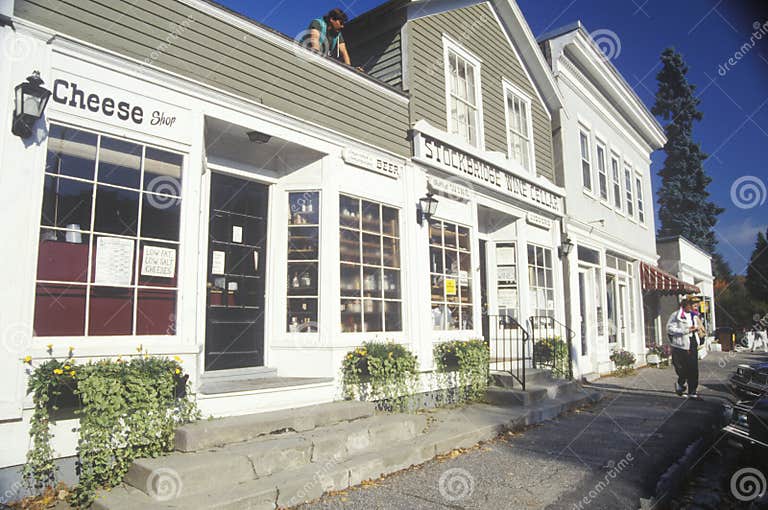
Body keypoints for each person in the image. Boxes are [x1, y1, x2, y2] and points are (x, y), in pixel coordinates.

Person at [667, 298, 703, 399]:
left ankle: (692, 391)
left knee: (693, 368)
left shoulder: (694, 316)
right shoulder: (676, 315)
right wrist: (686, 330)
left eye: (695, 305)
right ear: (685, 305)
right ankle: (680, 383)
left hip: (692, 343)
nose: (693, 307)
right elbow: (670, 329)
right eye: (691, 305)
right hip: (681, 344)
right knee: (682, 369)